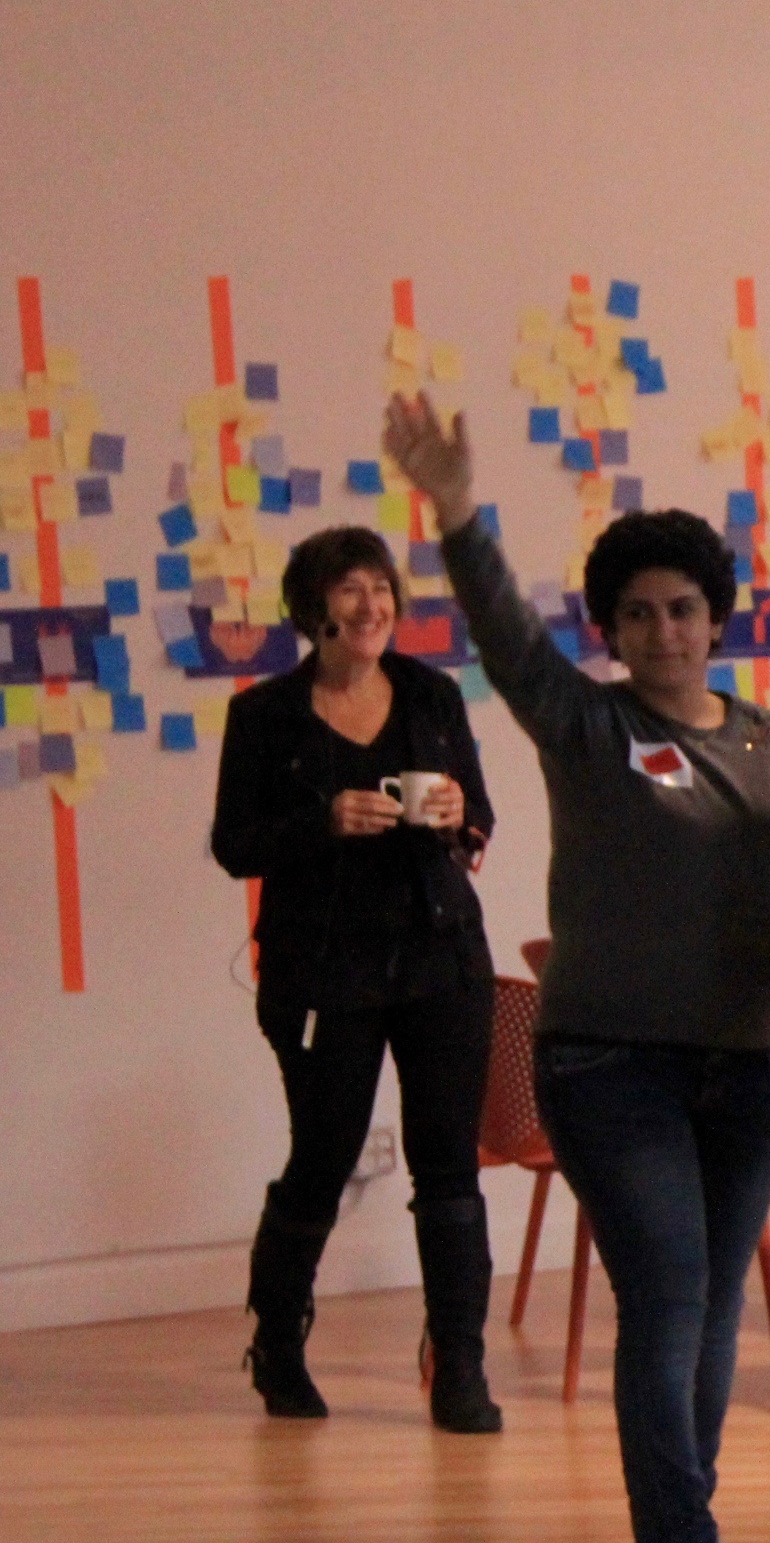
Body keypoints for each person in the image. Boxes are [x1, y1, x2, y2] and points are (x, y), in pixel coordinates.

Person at [386, 393, 770, 1543]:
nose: (663, 629)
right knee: (670, 1298)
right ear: (613, 628)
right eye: (637, 612)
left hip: (747, 1061)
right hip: (609, 1063)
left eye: (682, 608)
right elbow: (508, 638)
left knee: (714, 1305)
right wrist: (458, 509)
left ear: (716, 620)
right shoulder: (586, 724)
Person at [209, 523, 502, 1430]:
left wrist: (460, 817)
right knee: (323, 1158)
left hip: (440, 955)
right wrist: (323, 820)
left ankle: (459, 1362)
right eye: (350, 590)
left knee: (449, 1164)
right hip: (322, 970)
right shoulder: (264, 715)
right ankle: (280, 1344)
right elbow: (234, 845)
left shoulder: (430, 694)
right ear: (313, 609)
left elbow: (480, 818)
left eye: (380, 587)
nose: (371, 605)